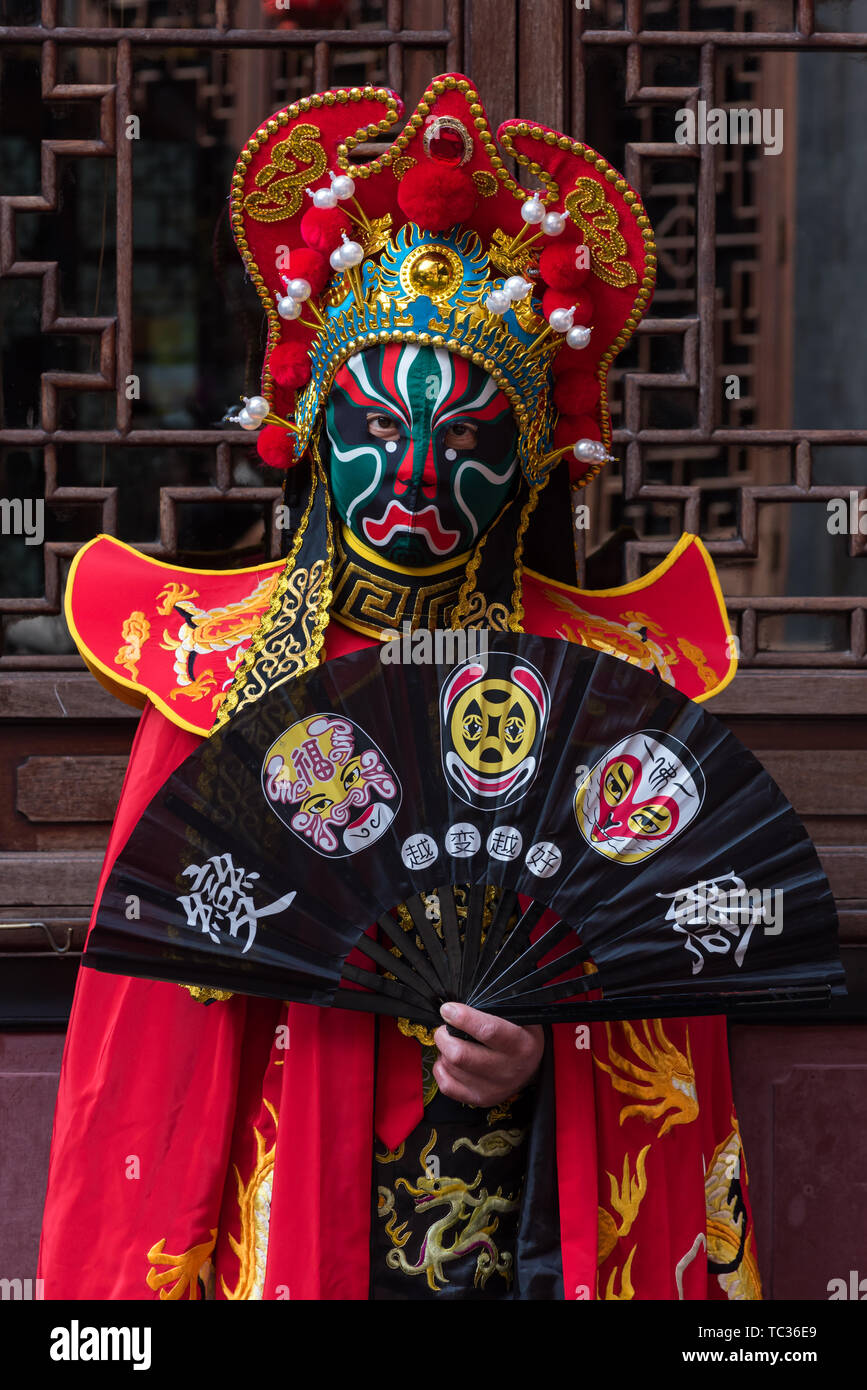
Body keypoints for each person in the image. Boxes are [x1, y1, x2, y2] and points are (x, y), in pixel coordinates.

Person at [39, 71, 760, 1301]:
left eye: (467, 440)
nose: (415, 477)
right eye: (378, 428)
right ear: (315, 436)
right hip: (286, 1208)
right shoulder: (217, 684)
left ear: (527, 470)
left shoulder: (602, 702)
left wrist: (545, 1047)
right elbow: (145, 1057)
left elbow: (659, 1037)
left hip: (507, 1223)